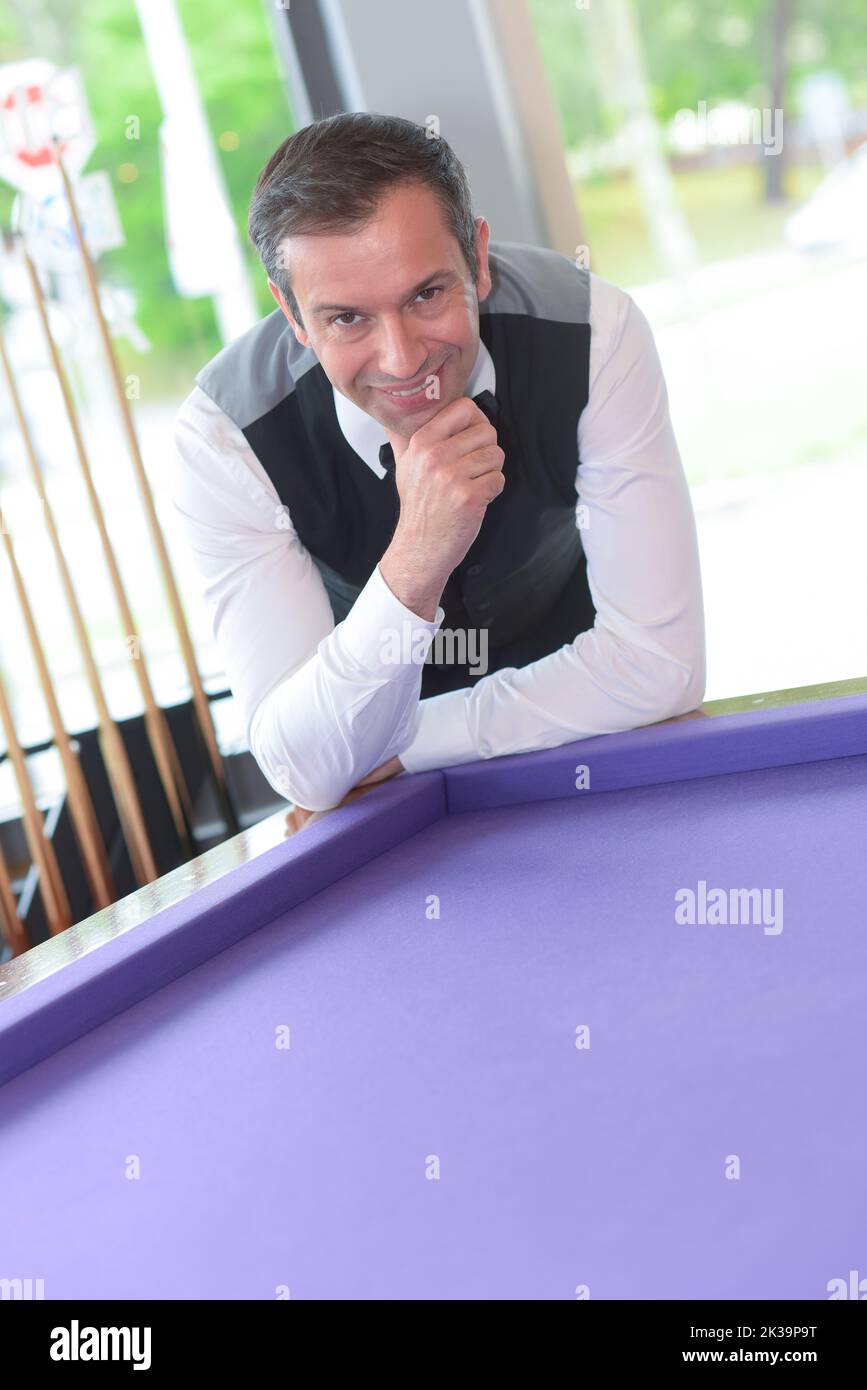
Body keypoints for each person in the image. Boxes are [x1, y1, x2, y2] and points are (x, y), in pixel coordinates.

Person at [172, 113, 705, 813]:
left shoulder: (592, 333)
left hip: (591, 756)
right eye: (346, 319)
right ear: (293, 316)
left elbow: (659, 669)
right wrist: (416, 559)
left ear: (477, 260)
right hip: (383, 817)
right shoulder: (225, 438)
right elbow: (300, 770)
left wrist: (403, 745)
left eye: (425, 294)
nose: (402, 359)